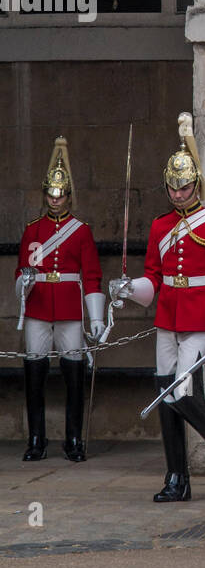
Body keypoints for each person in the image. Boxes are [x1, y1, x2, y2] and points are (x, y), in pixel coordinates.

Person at [110, 114, 205, 502]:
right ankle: (176, 478)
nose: (178, 194)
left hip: (200, 319)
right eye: (172, 187)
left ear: (196, 185)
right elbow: (152, 280)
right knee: (164, 398)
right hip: (167, 318)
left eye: (184, 187)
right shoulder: (159, 227)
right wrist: (127, 288)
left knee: (183, 392)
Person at [15, 136, 105, 462]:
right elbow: (20, 271)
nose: (55, 199)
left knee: (73, 375)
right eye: (51, 194)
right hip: (38, 306)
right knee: (35, 375)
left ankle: (74, 439)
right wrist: (22, 287)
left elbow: (92, 275)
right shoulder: (32, 230)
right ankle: (36, 439)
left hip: (68, 308)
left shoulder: (80, 231)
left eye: (60, 194)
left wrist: (95, 317)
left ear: (69, 195)